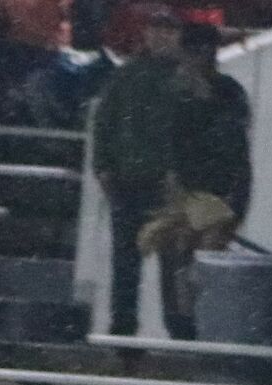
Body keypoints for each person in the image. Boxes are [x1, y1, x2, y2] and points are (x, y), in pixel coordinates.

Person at [147, 21, 253, 339]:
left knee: (204, 264)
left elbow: (235, 144)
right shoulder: (170, 91)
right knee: (178, 261)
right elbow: (162, 143)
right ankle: (181, 329)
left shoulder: (228, 92)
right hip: (180, 187)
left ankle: (197, 329)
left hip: (217, 188)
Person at [90, 5, 183, 337]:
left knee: (174, 266)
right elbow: (104, 123)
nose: (160, 36)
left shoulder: (185, 76)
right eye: (155, 29)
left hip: (170, 188)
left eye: (168, 29)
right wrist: (102, 167)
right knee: (126, 263)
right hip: (128, 184)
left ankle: (180, 331)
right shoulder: (127, 75)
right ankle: (123, 331)